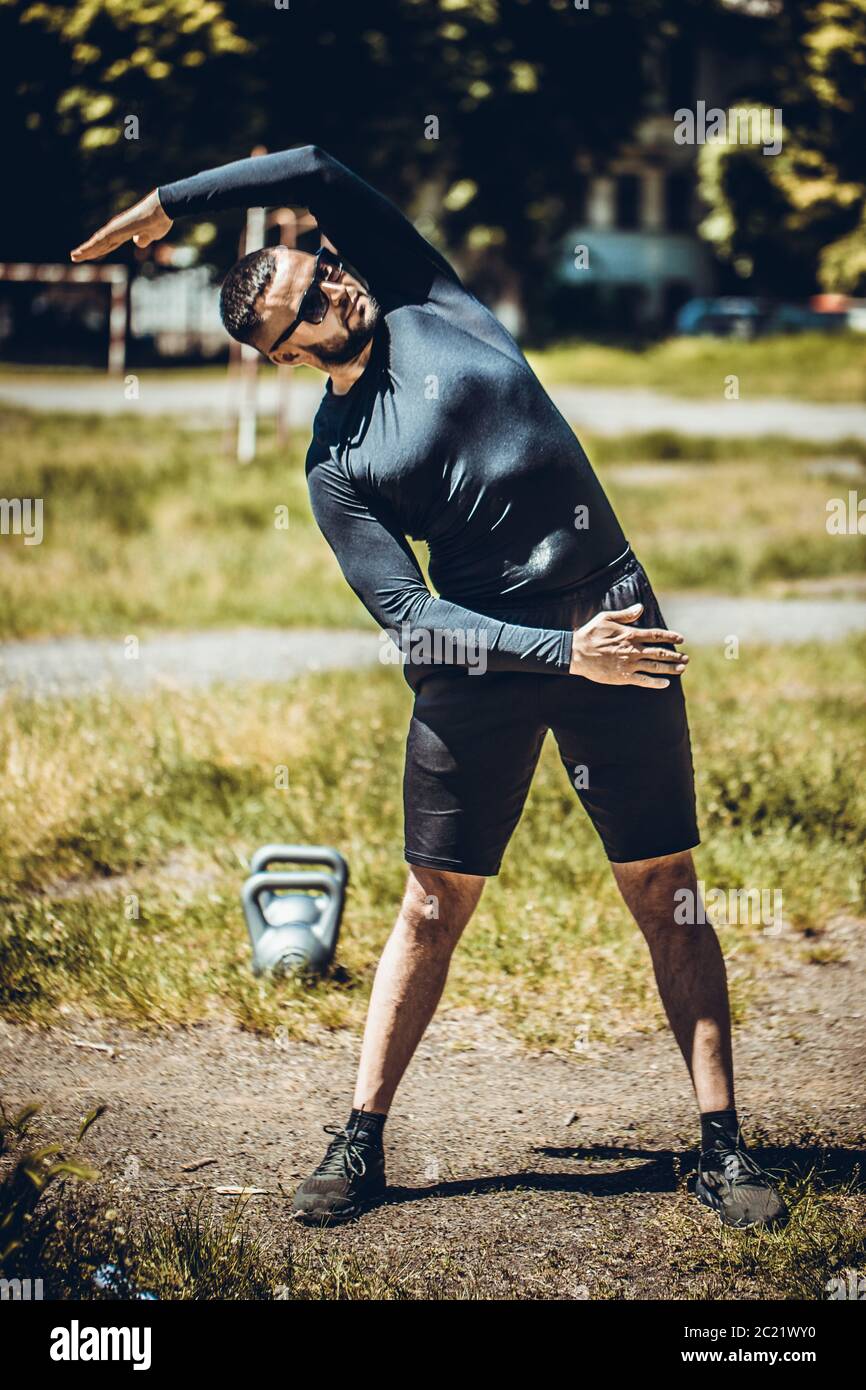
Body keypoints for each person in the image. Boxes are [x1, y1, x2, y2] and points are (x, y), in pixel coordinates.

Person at [72, 145, 787, 1231]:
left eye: (320, 271)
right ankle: (360, 1138)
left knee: (664, 890)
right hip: (484, 662)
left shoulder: (421, 293)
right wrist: (559, 655)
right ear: (282, 352)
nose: (330, 288)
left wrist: (163, 203)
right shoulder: (334, 462)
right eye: (306, 305)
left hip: (612, 616)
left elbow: (312, 165)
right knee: (429, 902)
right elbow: (410, 621)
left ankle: (722, 1146)